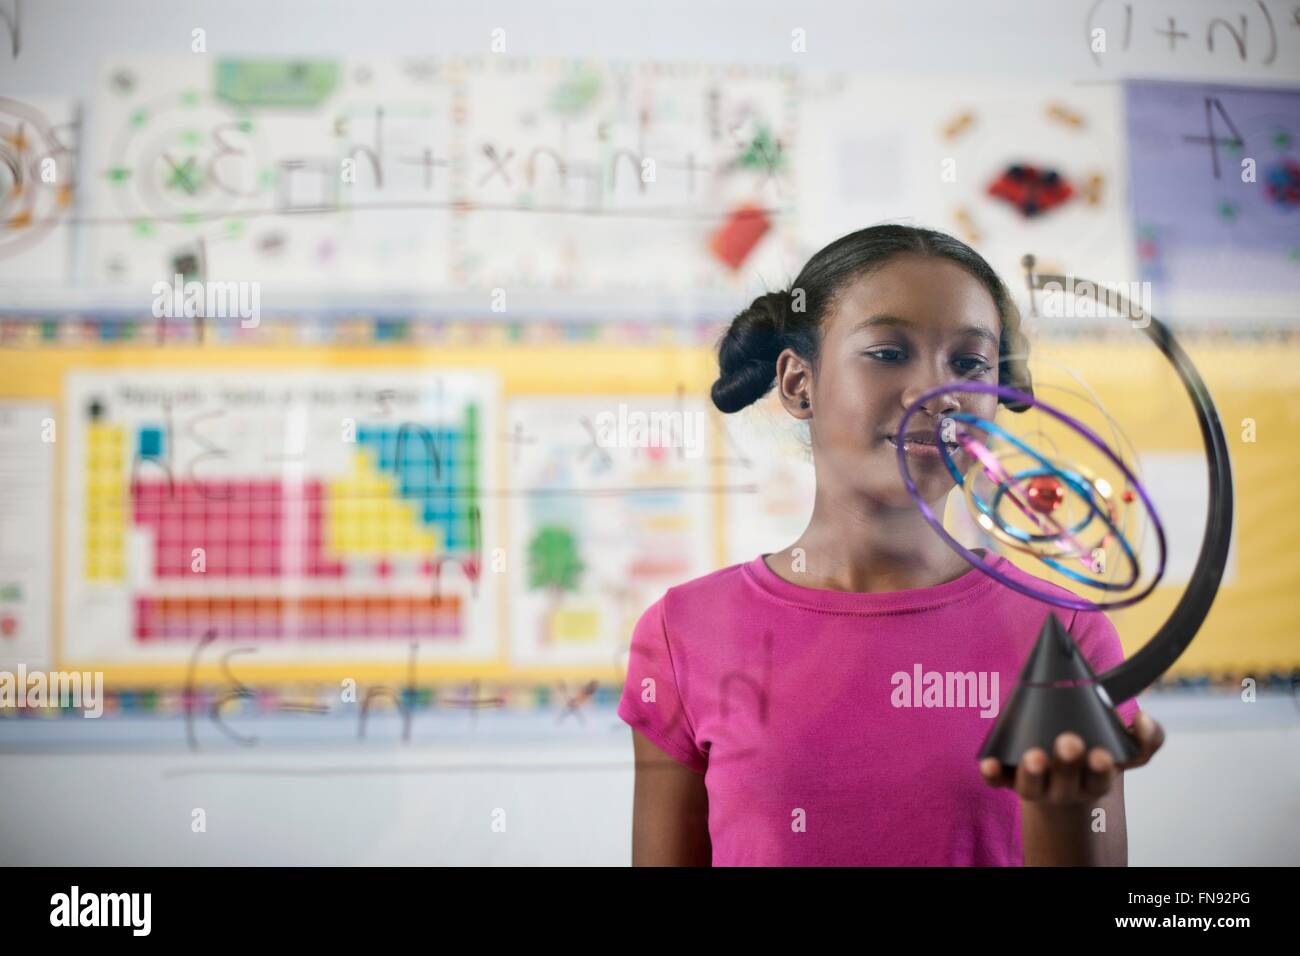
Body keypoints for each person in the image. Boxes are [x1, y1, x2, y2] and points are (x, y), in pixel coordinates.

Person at [617, 223, 1164, 866]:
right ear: (798, 385)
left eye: (969, 362)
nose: (936, 394)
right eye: (888, 352)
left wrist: (1063, 808)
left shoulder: (1066, 635)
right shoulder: (683, 634)